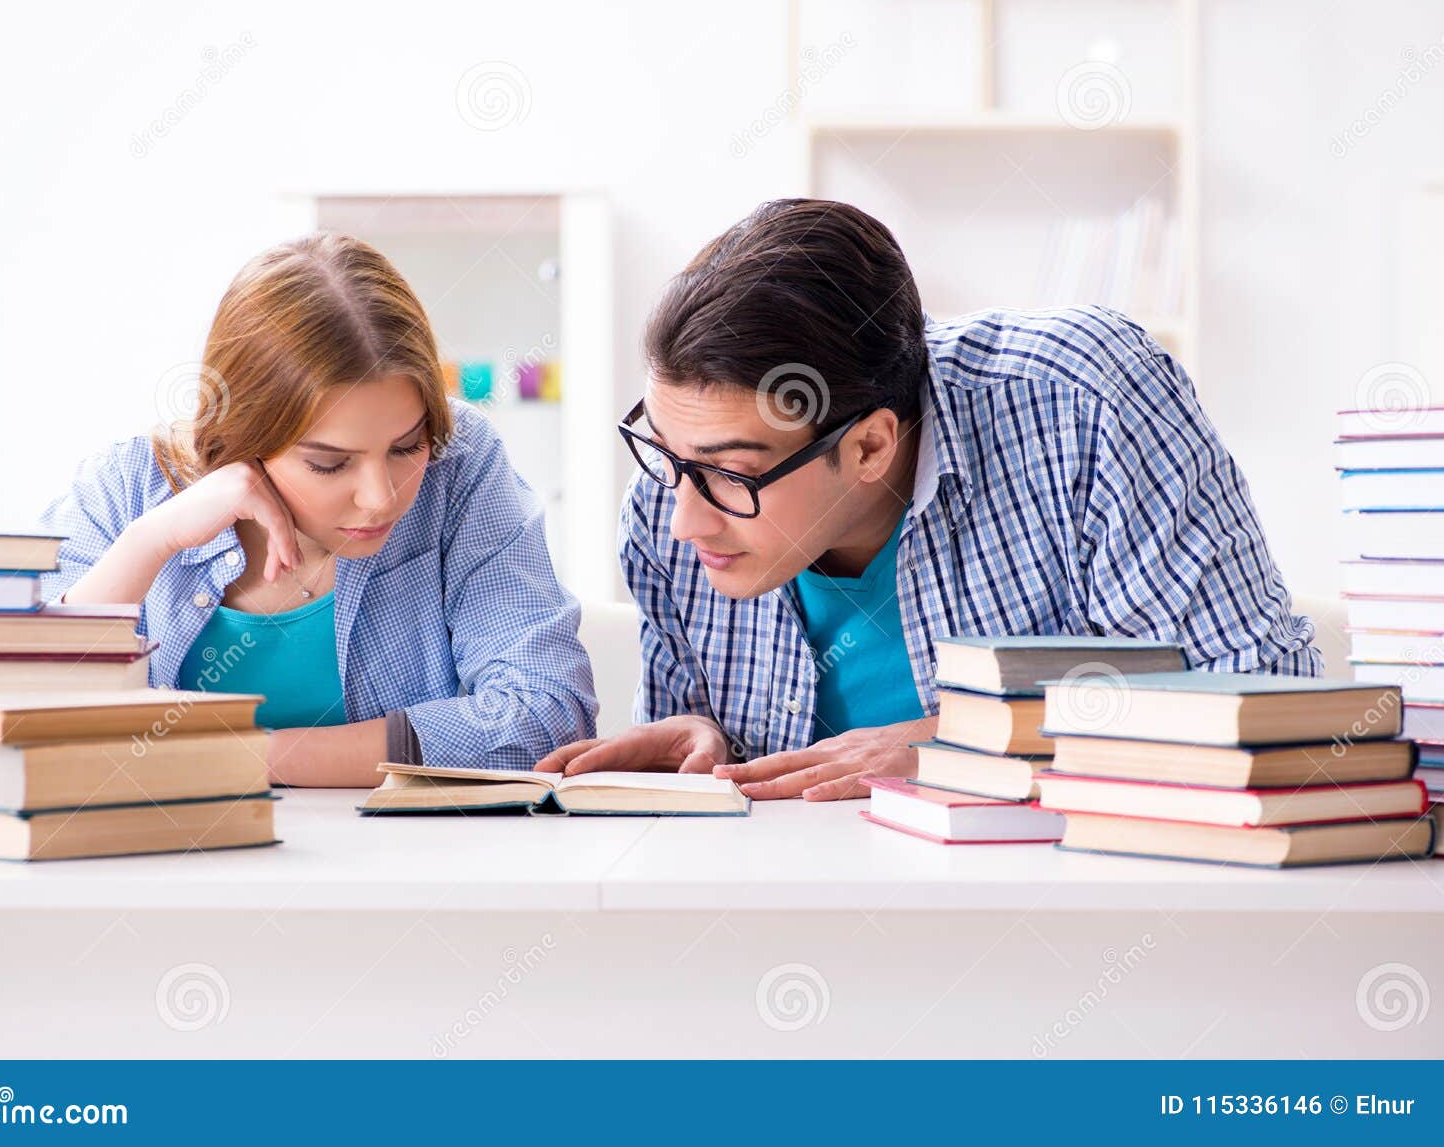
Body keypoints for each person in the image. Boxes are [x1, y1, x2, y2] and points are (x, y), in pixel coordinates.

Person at [537, 199, 1318, 799]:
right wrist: (699, 740)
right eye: (664, 455)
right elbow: (726, 797)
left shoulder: (1084, 403)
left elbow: (1272, 696)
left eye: (728, 474)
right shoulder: (666, 506)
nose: (680, 517)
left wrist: (963, 741)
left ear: (871, 445)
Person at [40, 231, 596, 785]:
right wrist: (150, 544)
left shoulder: (462, 465)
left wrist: (239, 757)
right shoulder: (127, 486)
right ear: (243, 437)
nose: (381, 498)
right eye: (330, 464)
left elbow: (546, 715)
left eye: (406, 447)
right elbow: (26, 715)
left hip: (408, 866)